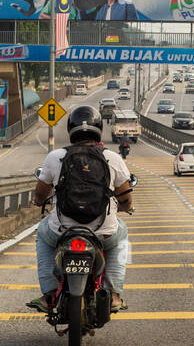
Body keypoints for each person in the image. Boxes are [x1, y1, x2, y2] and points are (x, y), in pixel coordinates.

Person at [27, 105, 134, 314]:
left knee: (42, 233)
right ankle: (113, 294)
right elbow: (126, 197)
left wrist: (38, 202)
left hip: (62, 230)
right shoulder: (113, 158)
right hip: (103, 231)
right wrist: (125, 206)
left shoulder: (55, 157)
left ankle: (49, 293)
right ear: (99, 128)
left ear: (71, 129)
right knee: (122, 237)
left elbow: (40, 194)